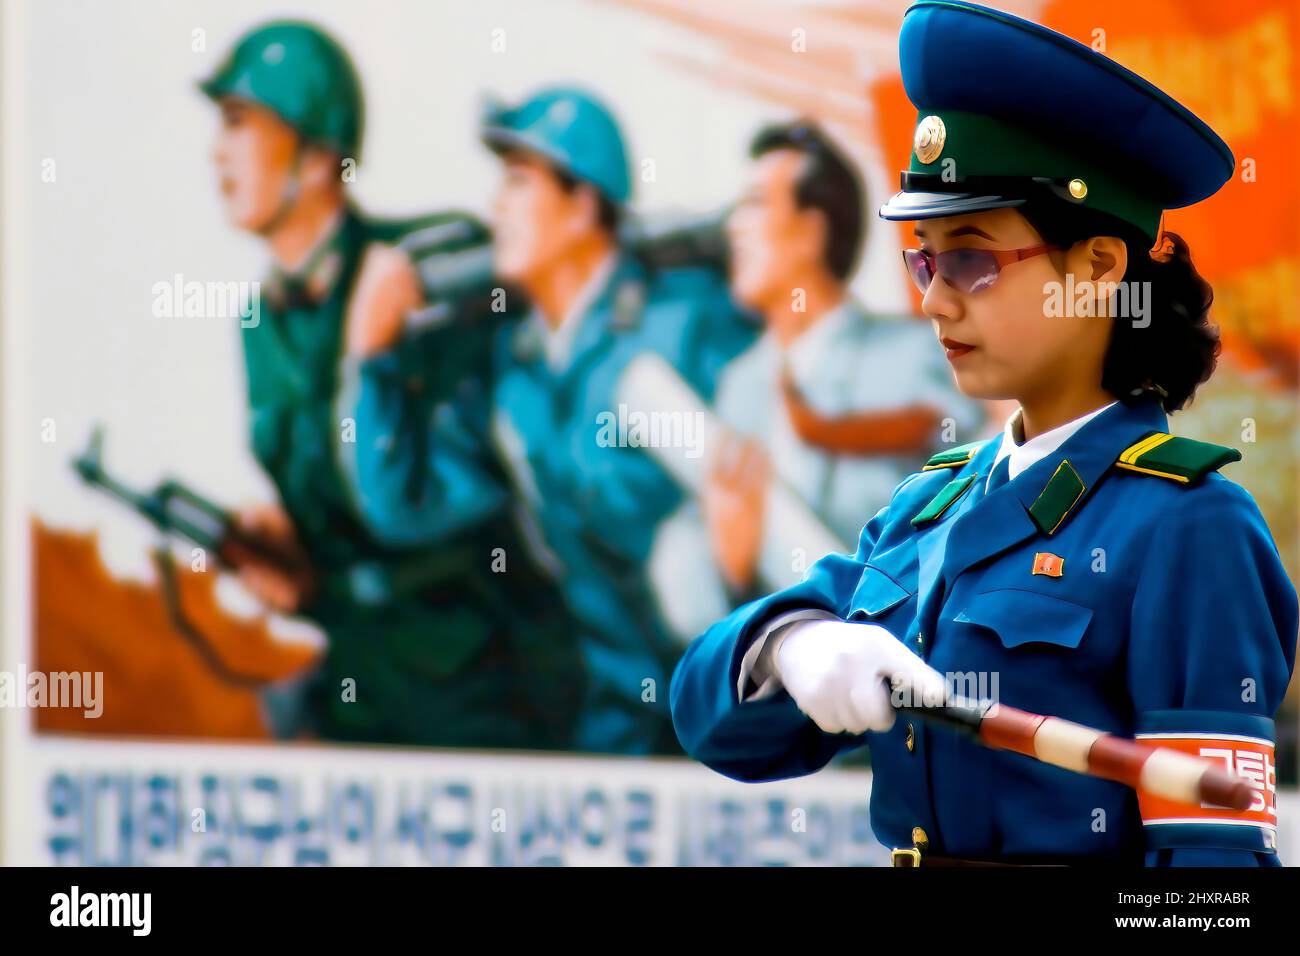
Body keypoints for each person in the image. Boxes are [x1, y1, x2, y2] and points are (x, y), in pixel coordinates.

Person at [670, 0, 1296, 866]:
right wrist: (794, 644)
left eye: (971, 258)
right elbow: (711, 719)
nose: (932, 298)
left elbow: (1211, 889)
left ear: (1098, 270)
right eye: (921, 259)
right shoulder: (930, 507)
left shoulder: (1189, 527)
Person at [203, 21, 581, 749]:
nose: (218, 151)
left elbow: (442, 494)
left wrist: (374, 346)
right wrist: (291, 543)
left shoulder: (434, 269)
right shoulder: (261, 322)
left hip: (485, 680)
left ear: (316, 157)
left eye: (241, 125)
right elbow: (331, 500)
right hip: (364, 674)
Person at [344, 87, 753, 755]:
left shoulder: (689, 324)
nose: (495, 209)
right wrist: (372, 362)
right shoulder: (513, 369)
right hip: (618, 732)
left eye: (518, 183)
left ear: (583, 206)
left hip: (741, 707)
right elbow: (403, 505)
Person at [650, 121, 981, 641]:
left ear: (811, 231)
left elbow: (972, 520)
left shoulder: (911, 358)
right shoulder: (740, 385)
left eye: (756, 204)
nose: (734, 227)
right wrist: (726, 566)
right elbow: (689, 553)